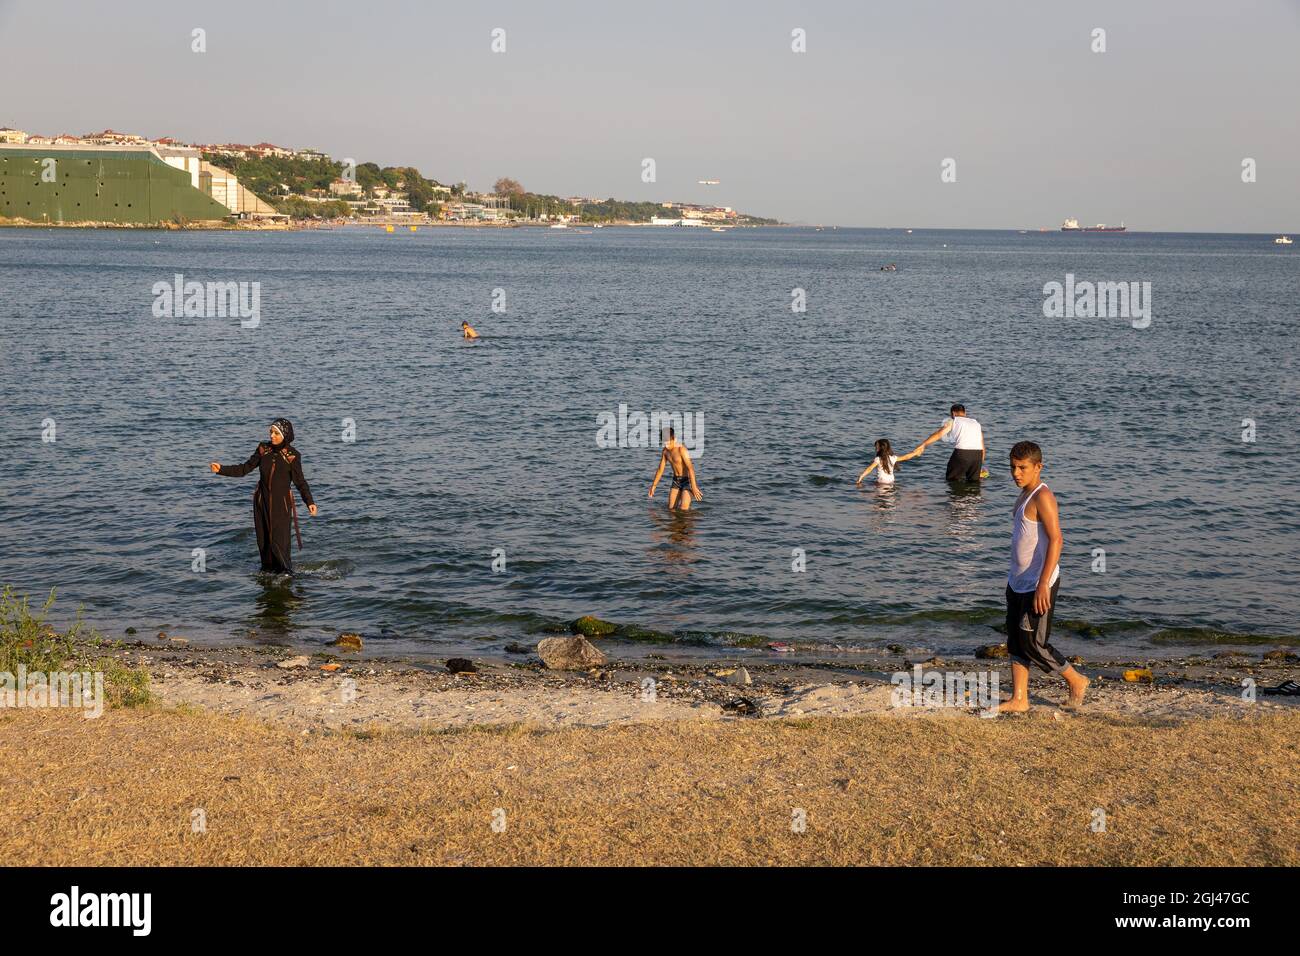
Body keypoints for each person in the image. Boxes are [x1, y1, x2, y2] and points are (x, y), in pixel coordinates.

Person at [998, 441, 1088, 712]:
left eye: (1022, 468)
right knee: (1015, 640)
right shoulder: (1024, 494)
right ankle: (1020, 699)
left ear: (1038, 467)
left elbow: (1057, 540)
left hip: (1039, 583)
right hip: (1017, 581)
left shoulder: (1042, 496)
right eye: (1013, 467)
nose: (1016, 473)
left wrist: (1042, 585)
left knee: (1034, 644)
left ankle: (1076, 679)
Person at [210, 418, 317, 574]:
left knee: (279, 542)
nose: (272, 436)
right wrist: (221, 469)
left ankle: (286, 574)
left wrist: (310, 502)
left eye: (276, 433)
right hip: (261, 503)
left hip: (282, 505)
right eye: (270, 432)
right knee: (264, 541)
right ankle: (267, 572)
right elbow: (244, 469)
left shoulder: (292, 456)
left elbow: (300, 482)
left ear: (285, 435)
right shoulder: (262, 449)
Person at [915, 403, 987, 481]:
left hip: (962, 453)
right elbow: (982, 445)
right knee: (974, 483)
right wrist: (979, 463)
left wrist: (923, 444)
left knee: (951, 480)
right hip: (977, 455)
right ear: (965, 412)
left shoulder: (954, 421)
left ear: (953, 413)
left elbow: (938, 434)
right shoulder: (976, 423)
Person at [648, 426, 703, 511]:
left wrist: (694, 487)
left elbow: (690, 469)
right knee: (671, 509)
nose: (666, 445)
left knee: (683, 509)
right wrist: (654, 486)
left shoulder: (681, 449)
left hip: (687, 482)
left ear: (674, 439)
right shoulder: (665, 452)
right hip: (676, 481)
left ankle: (690, 522)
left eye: (668, 442)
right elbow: (660, 469)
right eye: (664, 443)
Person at [856, 438, 924, 486]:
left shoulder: (878, 459)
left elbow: (870, 469)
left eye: (876, 447)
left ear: (880, 448)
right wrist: (915, 453)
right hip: (891, 481)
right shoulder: (893, 458)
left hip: (882, 482)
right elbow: (906, 457)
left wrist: (861, 477)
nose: (875, 449)